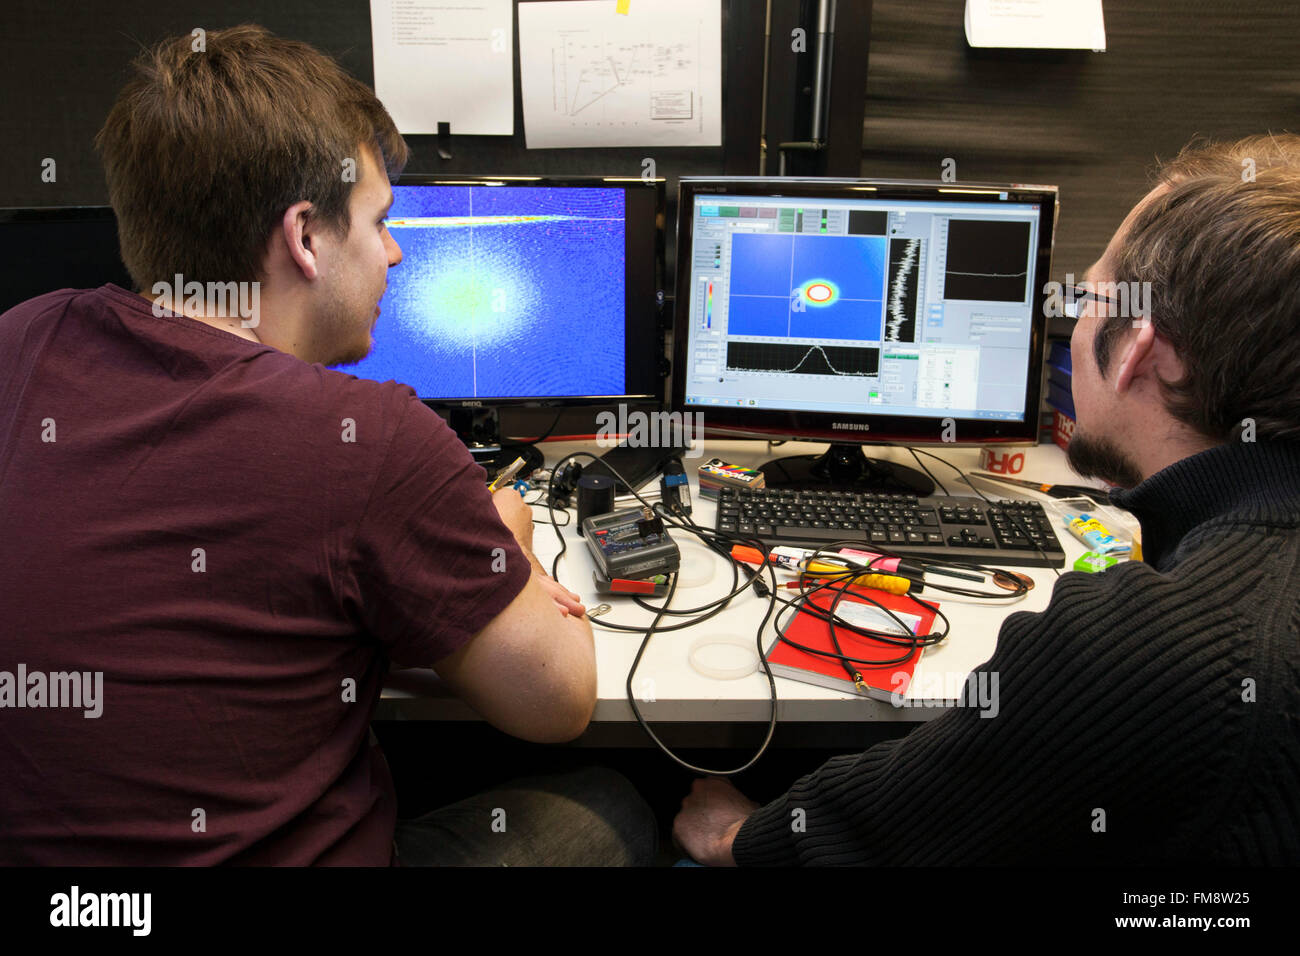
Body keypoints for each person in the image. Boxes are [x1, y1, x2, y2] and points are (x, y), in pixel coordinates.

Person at [0, 24, 655, 866]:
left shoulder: (24, 338)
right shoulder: (375, 441)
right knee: (611, 808)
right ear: (306, 237)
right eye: (380, 220)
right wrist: (508, 540)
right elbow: (557, 703)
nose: (395, 251)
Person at [673, 134, 1300, 866]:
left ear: (1138, 351)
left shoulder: (1147, 646)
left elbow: (893, 830)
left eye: (1089, 296)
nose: (1071, 318)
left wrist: (730, 838)